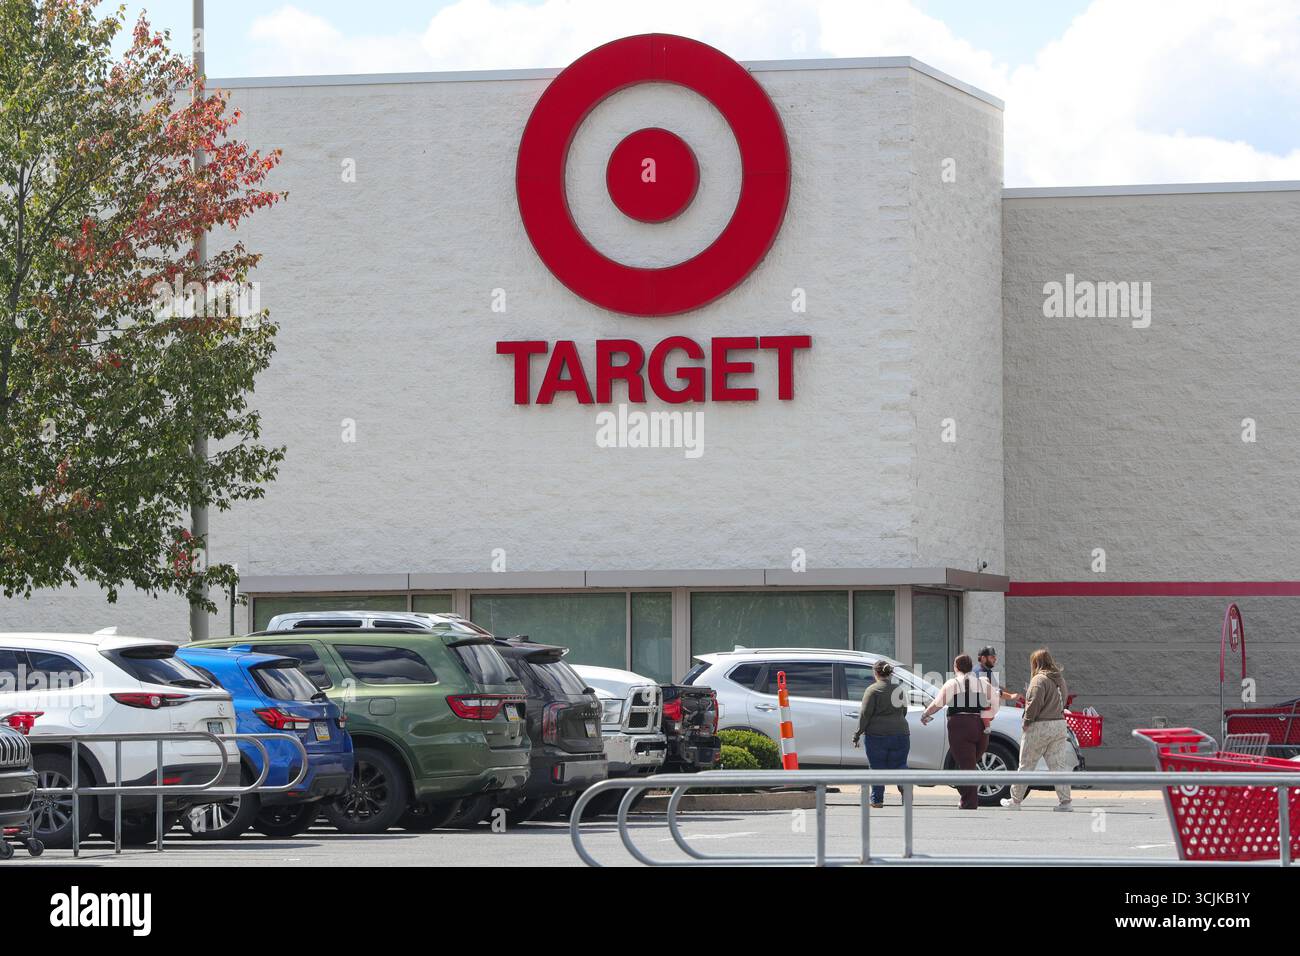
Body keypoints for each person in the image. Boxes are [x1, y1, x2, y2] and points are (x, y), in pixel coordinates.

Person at [1001, 648, 1075, 811]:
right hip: (1059, 724)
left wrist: (1027, 721)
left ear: (1036, 663)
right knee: (1058, 766)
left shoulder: (1038, 680)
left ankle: (1015, 801)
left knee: (1026, 764)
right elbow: (1063, 700)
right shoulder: (1059, 679)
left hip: (1040, 725)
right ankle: (1065, 802)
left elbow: (1034, 703)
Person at [921, 654, 992, 810]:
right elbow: (993, 704)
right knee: (968, 765)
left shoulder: (952, 683)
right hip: (980, 726)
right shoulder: (983, 683)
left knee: (966, 767)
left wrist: (926, 714)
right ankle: (966, 798)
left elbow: (937, 704)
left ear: (956, 667)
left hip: (960, 726)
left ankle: (970, 803)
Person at [851, 660, 911, 808]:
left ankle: (877, 800)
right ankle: (905, 790)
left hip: (876, 736)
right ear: (890, 673)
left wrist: (857, 734)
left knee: (877, 767)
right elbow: (904, 711)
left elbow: (865, 714)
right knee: (900, 764)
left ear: (875, 673)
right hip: (901, 734)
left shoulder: (872, 690)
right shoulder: (898, 690)